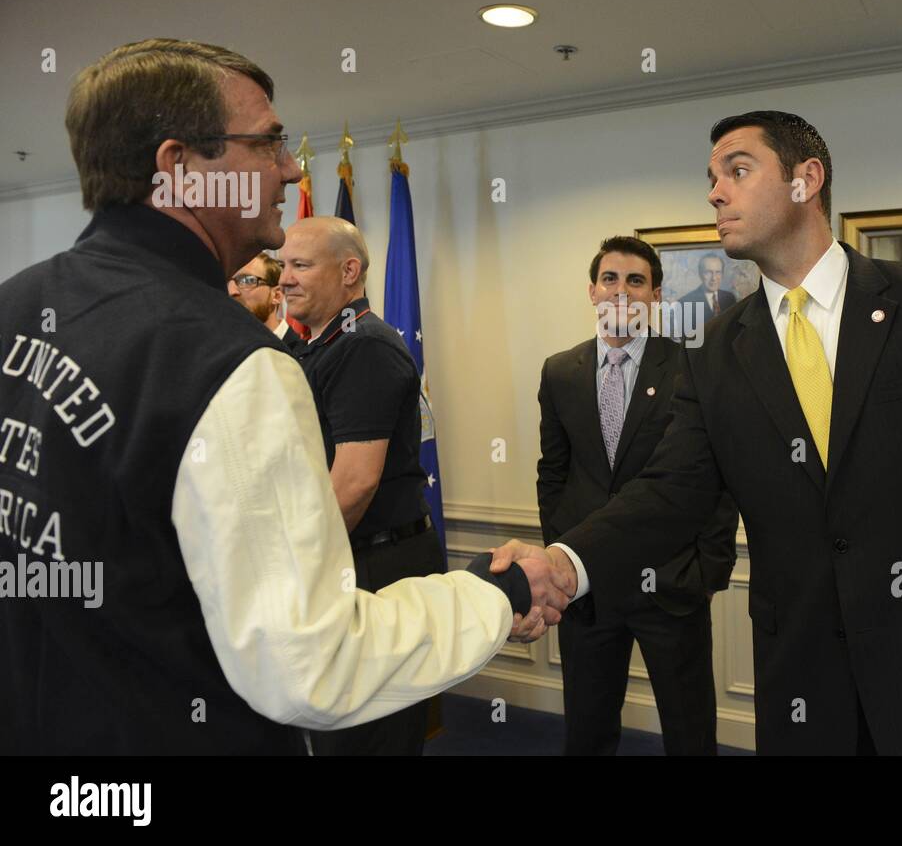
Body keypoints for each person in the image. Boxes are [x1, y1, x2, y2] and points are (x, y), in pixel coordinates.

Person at [0, 38, 556, 755]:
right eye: (266, 144)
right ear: (179, 168)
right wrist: (495, 593)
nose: (291, 169)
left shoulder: (16, 303)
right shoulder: (225, 358)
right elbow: (310, 665)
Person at [499, 111, 902, 755]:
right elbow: (669, 493)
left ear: (806, 180)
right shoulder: (716, 349)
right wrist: (564, 563)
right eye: (712, 177)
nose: (715, 191)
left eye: (737, 170)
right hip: (802, 691)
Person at [538, 235, 737, 755]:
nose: (621, 291)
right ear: (592, 291)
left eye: (635, 281)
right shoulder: (560, 371)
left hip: (670, 584)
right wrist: (562, 555)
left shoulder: (689, 368)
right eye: (610, 279)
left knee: (689, 729)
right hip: (587, 588)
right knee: (587, 727)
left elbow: (717, 481)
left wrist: (705, 571)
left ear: (656, 295)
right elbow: (553, 472)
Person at [281, 215, 444, 755]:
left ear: (350, 271)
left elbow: (353, 483)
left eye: (300, 265)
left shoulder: (364, 345)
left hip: (378, 568)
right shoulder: (314, 345)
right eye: (282, 265)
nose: (284, 279)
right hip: (352, 559)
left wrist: (296, 569)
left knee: (370, 742)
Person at [228, 251, 305, 354]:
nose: (232, 291)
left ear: (277, 295)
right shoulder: (225, 352)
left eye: (247, 280)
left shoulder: (301, 355)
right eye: (229, 282)